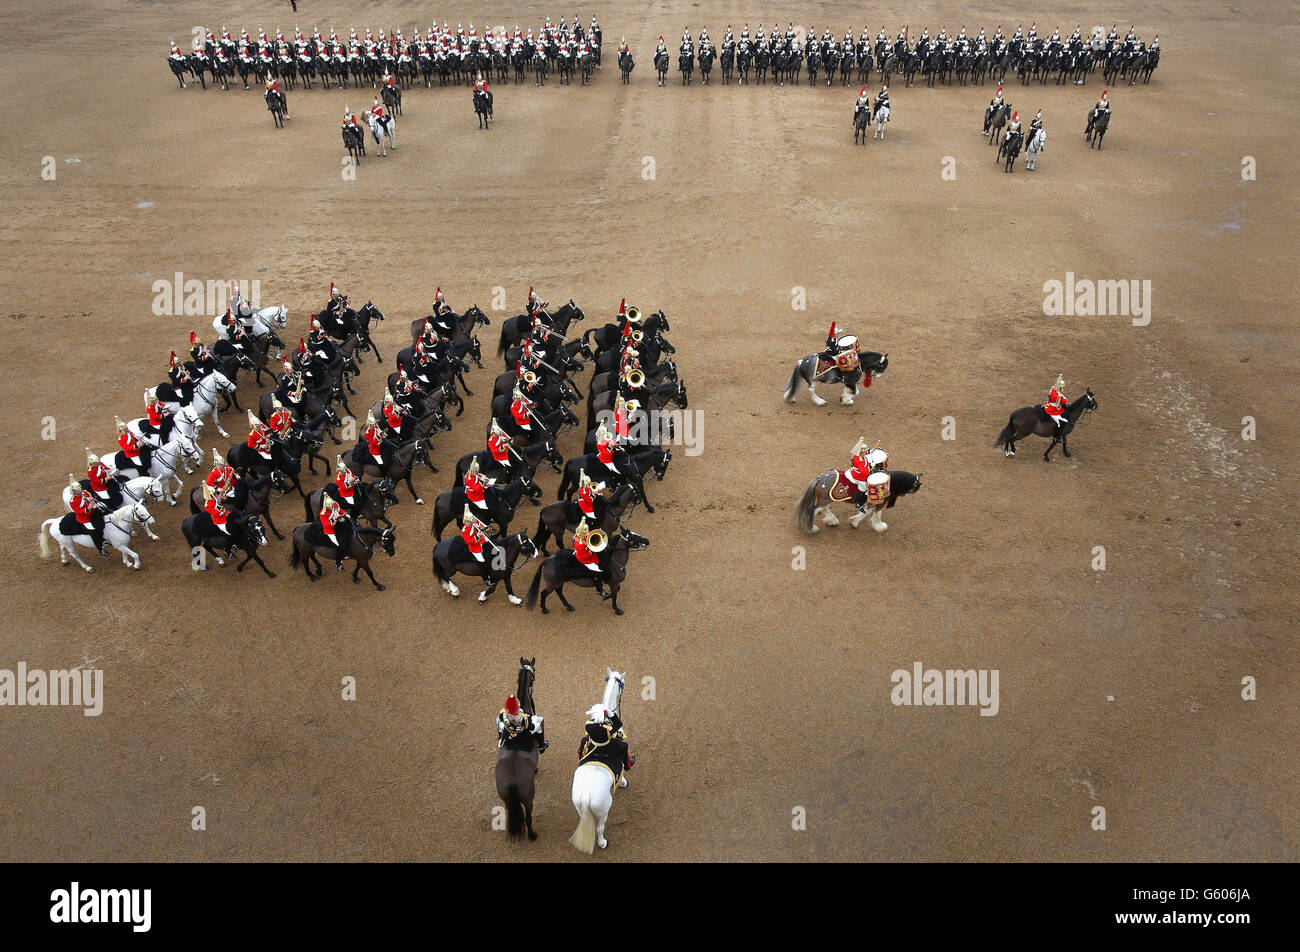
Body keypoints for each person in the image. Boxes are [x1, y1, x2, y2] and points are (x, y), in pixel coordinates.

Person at [578, 706, 633, 781]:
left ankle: (581, 756)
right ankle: (628, 764)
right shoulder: (607, 730)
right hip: (606, 746)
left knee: (584, 741)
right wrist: (611, 715)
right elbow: (619, 724)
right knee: (624, 746)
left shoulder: (588, 725)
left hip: (593, 744)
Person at [68, 475, 110, 556]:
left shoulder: (85, 492)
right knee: (93, 530)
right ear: (73, 492)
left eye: (80, 488)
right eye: (77, 490)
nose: (80, 490)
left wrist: (94, 500)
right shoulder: (73, 501)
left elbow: (92, 498)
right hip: (85, 518)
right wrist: (88, 508)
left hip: (94, 511)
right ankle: (100, 548)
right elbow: (78, 511)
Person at [319, 495, 351, 571]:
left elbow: (340, 510)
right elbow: (326, 525)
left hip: (339, 524)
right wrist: (335, 519)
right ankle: (338, 562)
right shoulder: (322, 514)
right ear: (326, 507)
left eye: (332, 505)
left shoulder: (334, 504)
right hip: (330, 531)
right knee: (338, 545)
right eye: (330, 506)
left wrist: (346, 514)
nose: (332, 507)